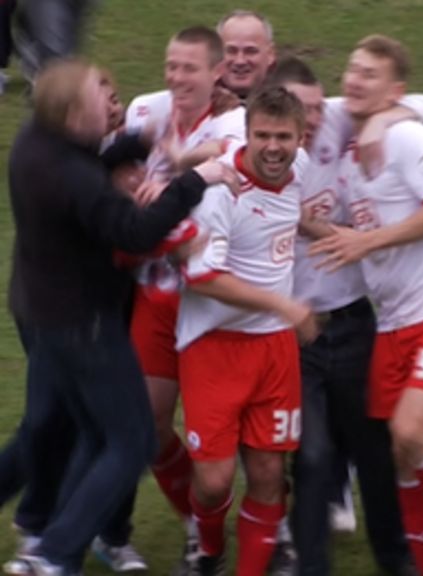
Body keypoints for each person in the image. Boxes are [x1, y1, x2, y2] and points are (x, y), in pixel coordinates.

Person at [6, 57, 235, 576]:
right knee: (130, 439)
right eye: (98, 99)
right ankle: (55, 552)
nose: (111, 107)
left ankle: (46, 540)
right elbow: (137, 232)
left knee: (74, 431)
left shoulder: (33, 145)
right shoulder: (73, 178)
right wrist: (197, 179)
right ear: (69, 117)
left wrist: (142, 141)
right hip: (84, 325)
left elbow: (100, 156)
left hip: (43, 315)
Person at [310, 34, 423, 576]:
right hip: (392, 325)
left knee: (412, 433)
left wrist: (366, 243)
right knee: (398, 456)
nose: (356, 80)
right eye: (353, 70)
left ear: (395, 90)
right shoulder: (349, 151)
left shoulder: (409, 136)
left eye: (371, 74)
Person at [268, 55, 423, 576]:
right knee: (310, 457)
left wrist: (380, 119)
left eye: (316, 107)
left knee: (374, 452)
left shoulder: (336, 115)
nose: (311, 119)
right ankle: (310, 565)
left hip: (355, 322)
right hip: (299, 333)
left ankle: (397, 562)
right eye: (299, 110)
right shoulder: (263, 149)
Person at [176, 86, 317, 576]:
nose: (273, 147)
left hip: (274, 349)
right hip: (213, 349)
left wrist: (331, 234)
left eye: (284, 136)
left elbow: (285, 215)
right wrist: (283, 304)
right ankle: (208, 550)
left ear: (302, 137)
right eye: (263, 136)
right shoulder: (220, 191)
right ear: (248, 133)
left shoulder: (299, 170)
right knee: (213, 483)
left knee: (268, 474)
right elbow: (203, 276)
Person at [121, 25, 247, 574]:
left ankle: (217, 535)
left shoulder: (235, 118)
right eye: (171, 65)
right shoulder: (144, 108)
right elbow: (119, 168)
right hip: (153, 292)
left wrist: (180, 161)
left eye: (189, 68)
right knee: (147, 426)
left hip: (209, 301)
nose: (176, 77)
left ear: (216, 72)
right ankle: (196, 523)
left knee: (210, 440)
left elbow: (235, 155)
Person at [217, 9, 276, 101]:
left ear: (270, 54)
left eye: (250, 51)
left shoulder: (292, 106)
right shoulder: (194, 107)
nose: (240, 61)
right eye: (231, 51)